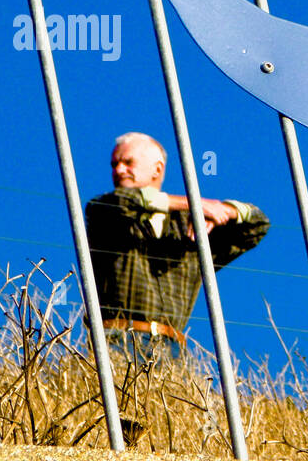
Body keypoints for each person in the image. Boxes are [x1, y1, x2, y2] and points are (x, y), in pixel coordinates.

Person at [85, 132, 269, 370]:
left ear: (157, 169)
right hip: (114, 339)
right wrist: (196, 203)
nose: (119, 170)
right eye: (115, 164)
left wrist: (224, 211)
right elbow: (124, 201)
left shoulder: (190, 225)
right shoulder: (106, 211)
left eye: (128, 162)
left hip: (171, 349)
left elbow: (258, 224)